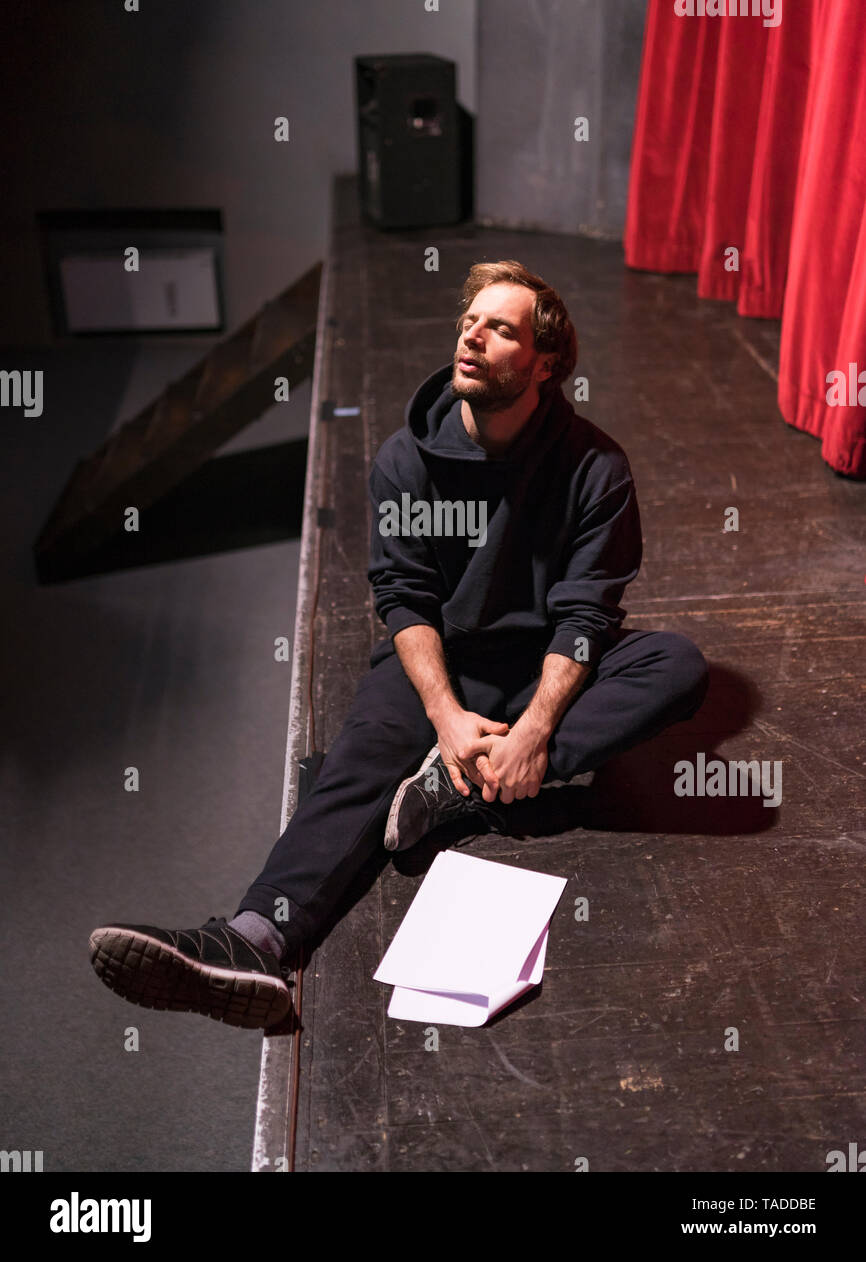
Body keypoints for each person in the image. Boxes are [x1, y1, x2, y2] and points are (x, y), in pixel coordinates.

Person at [89, 260, 709, 1031]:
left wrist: (535, 733)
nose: (472, 337)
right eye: (469, 323)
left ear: (545, 365)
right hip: (442, 659)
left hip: (543, 662)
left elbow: (585, 615)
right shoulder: (406, 460)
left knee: (676, 667)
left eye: (500, 328)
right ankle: (250, 942)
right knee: (361, 761)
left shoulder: (597, 468)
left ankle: (459, 792)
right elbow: (405, 599)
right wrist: (447, 716)